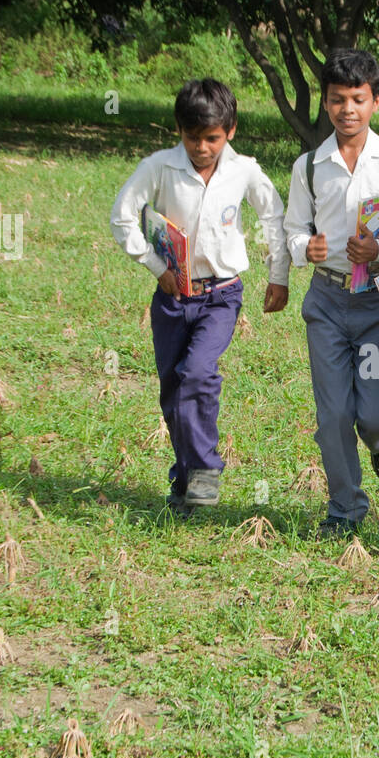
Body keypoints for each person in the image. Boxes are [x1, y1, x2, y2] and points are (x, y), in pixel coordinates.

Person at [110, 77, 286, 512]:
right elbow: (122, 217)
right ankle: (186, 481)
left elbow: (273, 213)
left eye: (212, 138)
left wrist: (277, 274)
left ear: (231, 130)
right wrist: (156, 265)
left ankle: (206, 467)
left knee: (197, 373)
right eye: (193, 137)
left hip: (221, 295)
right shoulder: (159, 167)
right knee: (173, 393)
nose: (202, 147)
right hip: (172, 297)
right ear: (179, 130)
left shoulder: (243, 169)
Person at [279, 49, 379, 539]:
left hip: (378, 303)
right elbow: (293, 230)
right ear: (326, 101)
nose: (347, 110)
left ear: (376, 101)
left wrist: (378, 246)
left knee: (374, 412)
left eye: (358, 100)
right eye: (337, 100)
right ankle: (344, 507)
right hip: (326, 302)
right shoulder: (310, 167)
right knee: (333, 413)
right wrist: (308, 248)